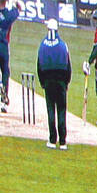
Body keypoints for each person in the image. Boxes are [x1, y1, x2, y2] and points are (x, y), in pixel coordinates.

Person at [36, 19, 72, 150]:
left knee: (51, 110)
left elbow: (39, 65)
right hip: (61, 81)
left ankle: (52, 140)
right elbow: (68, 66)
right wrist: (66, 82)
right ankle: (62, 142)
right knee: (61, 111)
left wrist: (42, 82)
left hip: (48, 81)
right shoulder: (63, 45)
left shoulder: (42, 45)